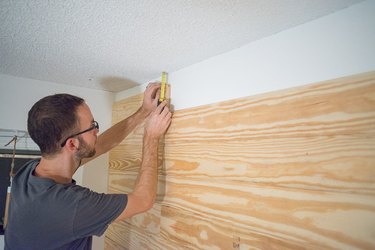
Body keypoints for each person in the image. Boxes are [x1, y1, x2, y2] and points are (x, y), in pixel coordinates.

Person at [4, 83, 172, 249]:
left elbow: (102, 144)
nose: (96, 130)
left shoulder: (29, 172)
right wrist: (151, 137)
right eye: (92, 126)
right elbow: (143, 201)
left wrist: (143, 112)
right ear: (72, 144)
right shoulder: (70, 206)